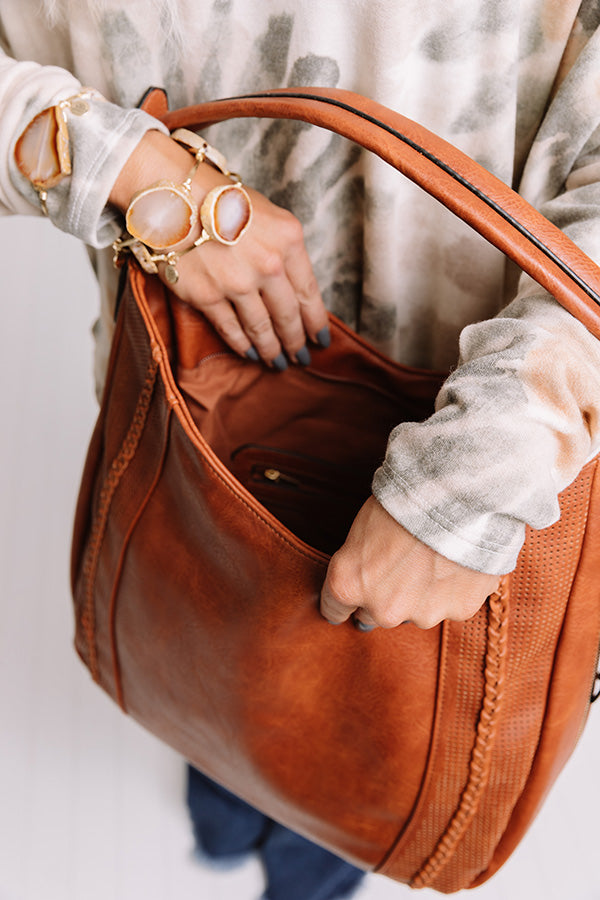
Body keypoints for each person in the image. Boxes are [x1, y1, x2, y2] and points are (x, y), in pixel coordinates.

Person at [2, 1, 600, 898]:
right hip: (181, 399)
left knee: (347, 762)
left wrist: (479, 469)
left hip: (474, 448)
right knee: (219, 669)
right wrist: (124, 168)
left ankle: (290, 853)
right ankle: (232, 795)